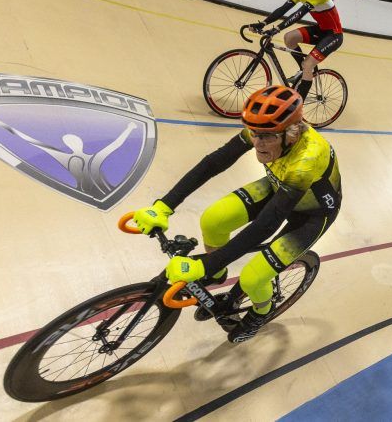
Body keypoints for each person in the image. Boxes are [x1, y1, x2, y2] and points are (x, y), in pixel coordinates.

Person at [132, 85, 341, 343]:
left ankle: (260, 313)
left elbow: (267, 224)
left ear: (292, 134)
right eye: (254, 134)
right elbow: (215, 162)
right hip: (279, 185)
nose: (258, 143)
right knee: (213, 219)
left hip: (312, 214)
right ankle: (217, 276)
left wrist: (204, 264)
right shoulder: (266, 128)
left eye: (267, 137)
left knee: (254, 277)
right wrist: (164, 205)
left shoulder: (308, 157)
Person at [250, 0, 343, 102]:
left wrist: (277, 29)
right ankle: (304, 72)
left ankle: (298, 106)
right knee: (289, 38)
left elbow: (299, 14)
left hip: (334, 35)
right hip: (321, 30)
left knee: (308, 64)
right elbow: (282, 10)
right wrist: (264, 23)